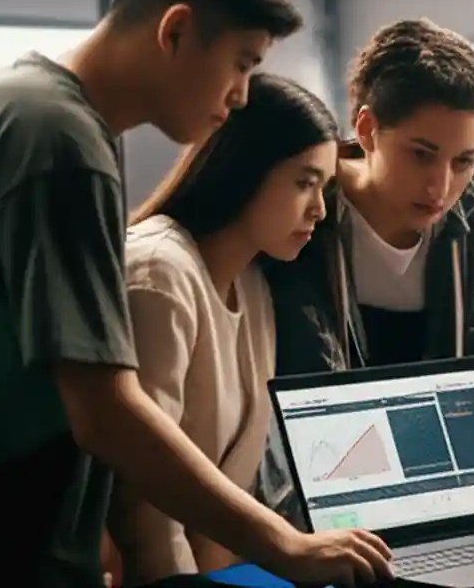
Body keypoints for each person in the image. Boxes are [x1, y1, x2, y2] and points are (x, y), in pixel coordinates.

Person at [0, 0, 390, 587]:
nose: (240, 95)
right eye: (241, 63)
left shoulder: (10, 101)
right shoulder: (61, 143)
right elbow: (104, 410)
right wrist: (284, 545)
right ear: (175, 30)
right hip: (6, 551)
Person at [260, 18, 474, 528]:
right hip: (323, 510)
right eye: (421, 155)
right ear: (366, 129)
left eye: (464, 161)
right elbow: (298, 388)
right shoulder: (309, 208)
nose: (440, 186)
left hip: (440, 497)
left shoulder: (469, 203)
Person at [107, 73, 347, 584]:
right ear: (246, 167)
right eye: (304, 182)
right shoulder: (158, 274)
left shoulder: (253, 282)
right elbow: (144, 507)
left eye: (324, 187)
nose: (320, 209)